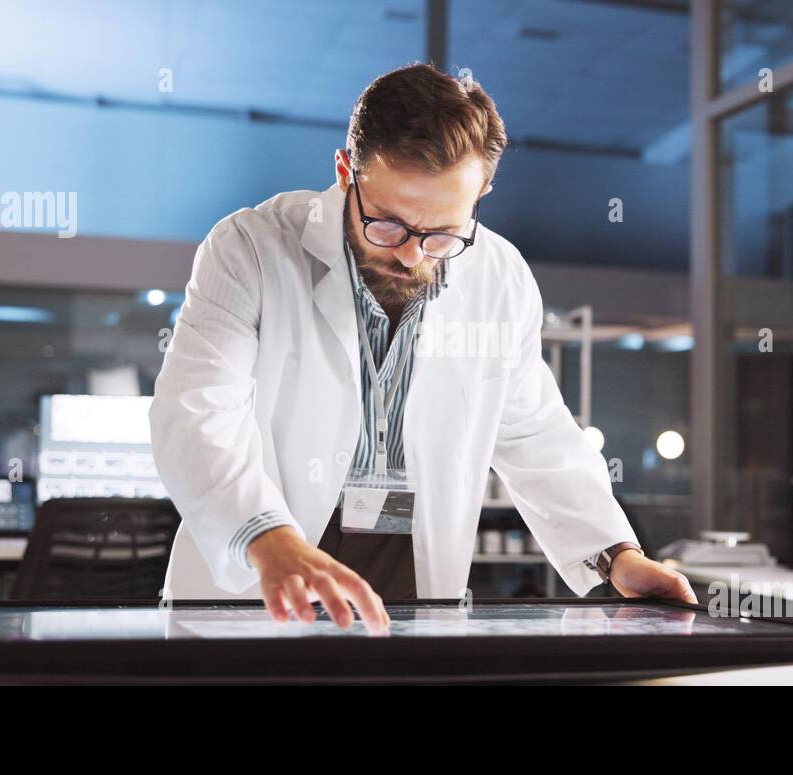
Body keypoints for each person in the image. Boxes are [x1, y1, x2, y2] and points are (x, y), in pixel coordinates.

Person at [151, 64, 696, 632]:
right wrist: (265, 538)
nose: (413, 255)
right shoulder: (250, 249)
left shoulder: (499, 277)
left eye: (441, 234)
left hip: (414, 602)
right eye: (387, 225)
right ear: (346, 173)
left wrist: (615, 557)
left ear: (480, 194)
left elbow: (536, 434)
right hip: (256, 584)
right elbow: (196, 414)